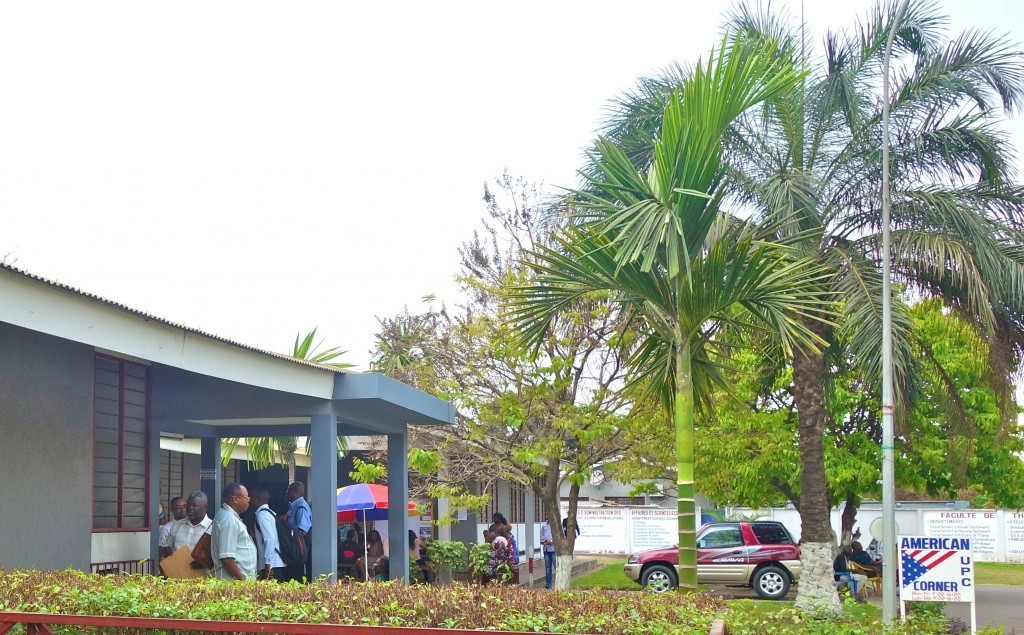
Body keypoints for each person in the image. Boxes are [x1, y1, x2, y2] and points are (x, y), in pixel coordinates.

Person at [211, 482, 257, 581]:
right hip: (233, 582)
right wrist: (243, 582)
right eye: (247, 498)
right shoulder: (229, 520)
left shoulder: (229, 517)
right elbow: (227, 558)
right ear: (235, 499)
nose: (249, 501)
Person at [164, 491, 213, 568]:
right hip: (177, 574)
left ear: (205, 507)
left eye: (195, 505)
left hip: (202, 577)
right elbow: (167, 548)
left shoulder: (212, 528)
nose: (190, 508)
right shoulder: (177, 525)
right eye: (188, 505)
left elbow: (218, 556)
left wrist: (204, 562)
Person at [252, 489, 287, 581]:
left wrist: (268, 563)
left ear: (257, 499)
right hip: (277, 562)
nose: (250, 501)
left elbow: (270, 538)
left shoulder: (262, 515)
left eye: (252, 498)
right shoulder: (271, 513)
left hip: (271, 564)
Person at [285, 481, 312, 581]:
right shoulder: (294, 506)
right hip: (296, 548)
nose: (286, 492)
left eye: (289, 490)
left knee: (297, 574)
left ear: (295, 492)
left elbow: (303, 530)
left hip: (299, 549)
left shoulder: (301, 507)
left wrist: (291, 541)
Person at [539, 514, 556, 589]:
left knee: (557, 566)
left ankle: (559, 582)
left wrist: (551, 541)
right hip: (546, 549)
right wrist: (542, 541)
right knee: (548, 568)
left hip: (554, 549)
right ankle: (548, 584)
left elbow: (560, 537)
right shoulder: (543, 525)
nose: (547, 516)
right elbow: (541, 536)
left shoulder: (556, 526)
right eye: (546, 515)